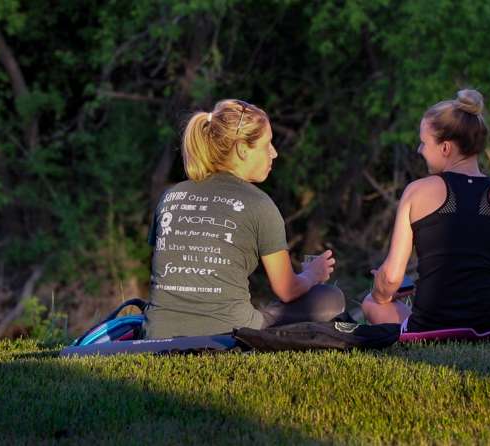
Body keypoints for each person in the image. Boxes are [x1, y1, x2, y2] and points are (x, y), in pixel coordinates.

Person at [361, 90, 490, 340]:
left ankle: (421, 330)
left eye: (424, 143)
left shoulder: (416, 192)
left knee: (371, 302)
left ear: (445, 148)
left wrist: (381, 292)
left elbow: (391, 278)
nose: (420, 150)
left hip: (429, 331)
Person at [145, 99, 344, 338]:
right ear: (242, 149)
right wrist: (313, 274)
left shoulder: (170, 196)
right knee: (330, 298)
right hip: (227, 333)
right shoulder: (259, 204)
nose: (274, 153)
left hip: (157, 333)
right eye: (267, 144)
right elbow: (287, 290)